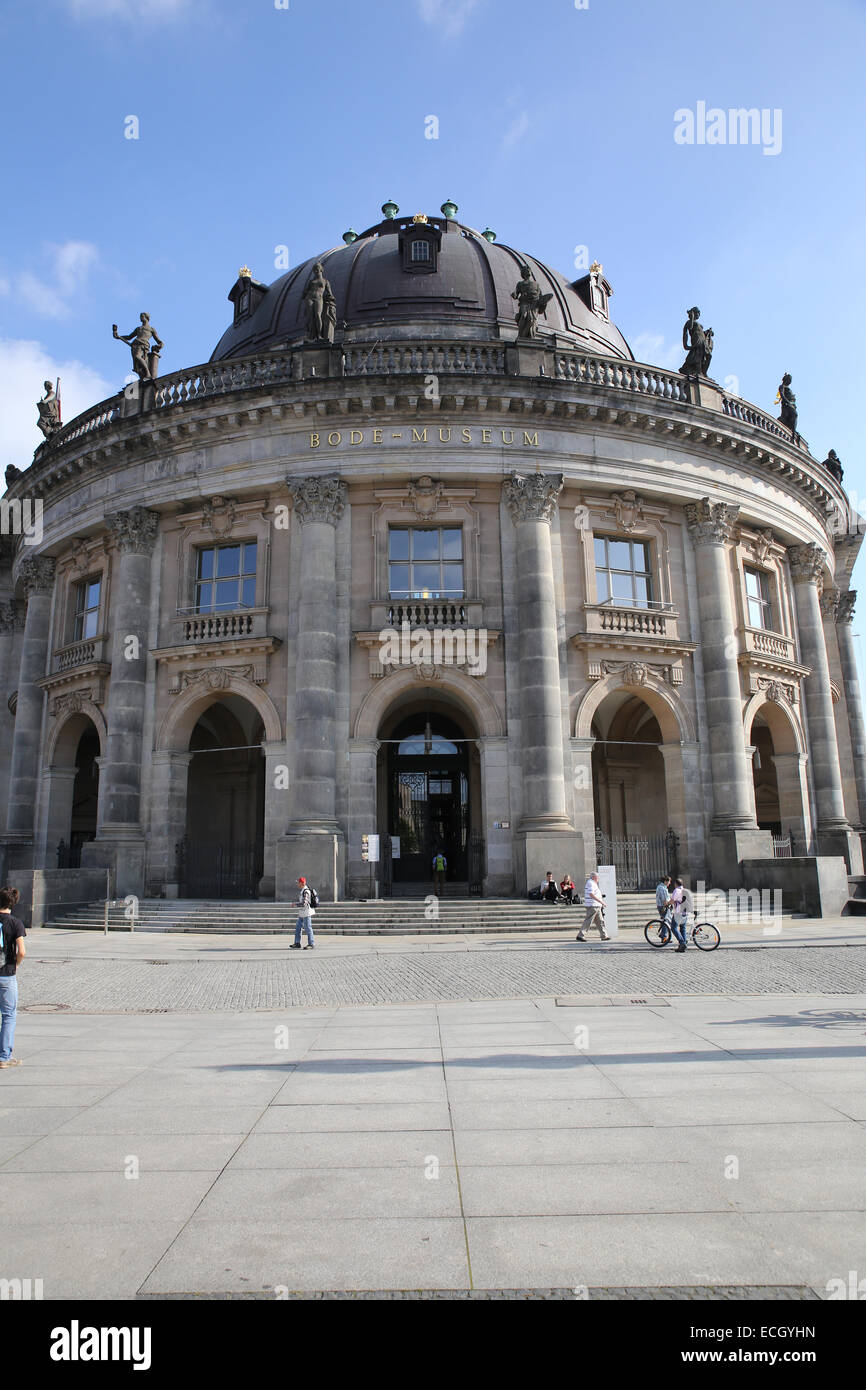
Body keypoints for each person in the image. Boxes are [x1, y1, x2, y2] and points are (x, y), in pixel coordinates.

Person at [0, 886, 27, 1068]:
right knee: (8, 1015)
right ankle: (4, 1057)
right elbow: (22, 951)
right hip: (7, 974)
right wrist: (16, 965)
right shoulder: (15, 923)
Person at [577, 872, 610, 941]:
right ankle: (581, 935)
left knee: (600, 921)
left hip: (596, 905)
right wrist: (601, 902)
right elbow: (591, 894)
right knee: (588, 921)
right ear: (594, 877)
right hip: (593, 905)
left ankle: (604, 935)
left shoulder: (593, 883)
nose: (598, 879)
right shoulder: (590, 883)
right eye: (598, 877)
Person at [290, 876, 315, 950]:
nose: (298, 884)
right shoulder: (303, 890)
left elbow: (304, 903)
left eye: (299, 883)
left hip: (306, 913)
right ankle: (297, 943)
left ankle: (311, 943)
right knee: (298, 927)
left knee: (308, 928)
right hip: (302, 913)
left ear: (302, 883)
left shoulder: (306, 891)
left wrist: (295, 904)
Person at [671, 878, 693, 953]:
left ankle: (682, 943)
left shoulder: (676, 890)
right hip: (686, 912)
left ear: (676, 884)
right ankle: (683, 945)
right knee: (682, 927)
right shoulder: (685, 890)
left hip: (679, 912)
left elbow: (672, 900)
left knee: (673, 927)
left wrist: (666, 904)